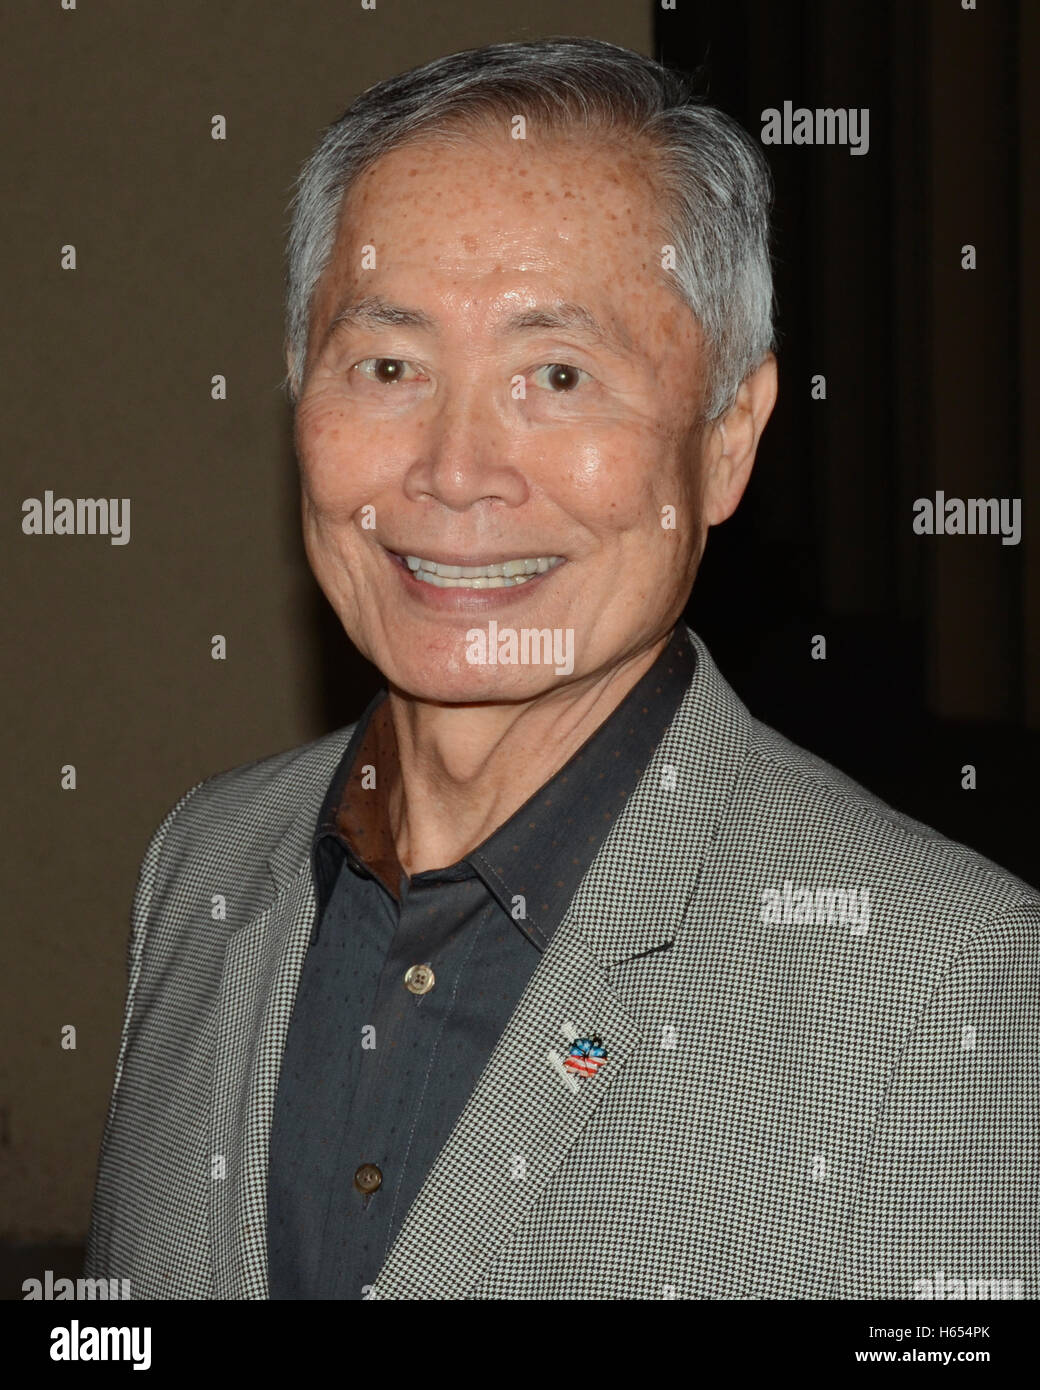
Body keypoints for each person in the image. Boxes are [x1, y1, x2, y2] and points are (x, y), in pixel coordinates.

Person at [85, 37, 1039, 1300]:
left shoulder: (941, 982)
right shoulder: (200, 865)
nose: (453, 468)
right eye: (388, 367)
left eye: (555, 374)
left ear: (724, 441)